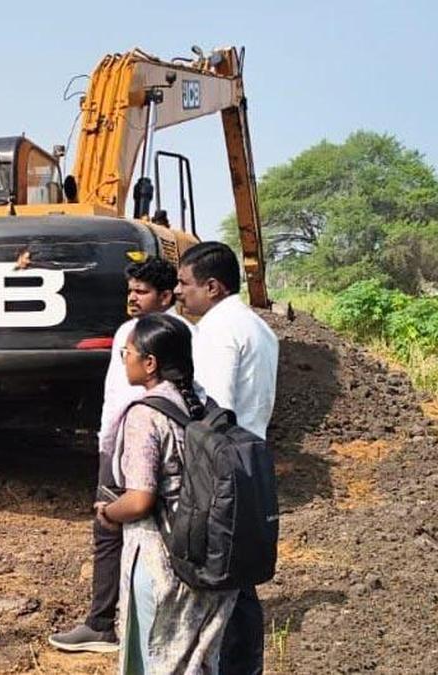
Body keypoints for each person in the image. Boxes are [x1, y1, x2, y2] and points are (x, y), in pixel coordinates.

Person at [50, 258, 186, 653]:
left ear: (166, 296)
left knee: (110, 529)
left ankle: (101, 623)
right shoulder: (150, 330)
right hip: (120, 442)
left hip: (135, 445)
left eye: (142, 292)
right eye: (130, 290)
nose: (132, 298)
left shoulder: (154, 335)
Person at [98, 314, 238, 673]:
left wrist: (109, 513)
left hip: (161, 560)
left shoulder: (145, 415)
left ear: (150, 363)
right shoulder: (204, 406)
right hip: (209, 556)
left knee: (155, 660)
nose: (123, 359)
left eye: (126, 352)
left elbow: (140, 499)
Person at [175, 242, 279, 675]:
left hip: (221, 466)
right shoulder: (258, 327)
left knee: (221, 574)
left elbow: (215, 411)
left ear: (213, 287)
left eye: (185, 284)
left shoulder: (218, 330)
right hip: (251, 457)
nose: (178, 293)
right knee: (241, 573)